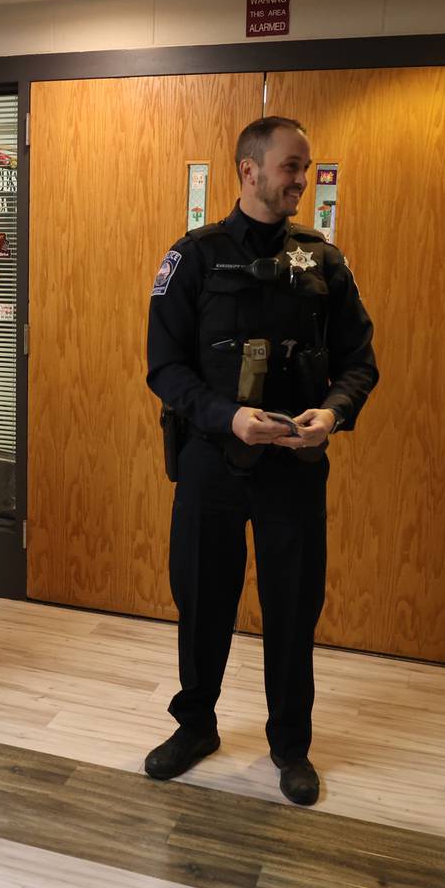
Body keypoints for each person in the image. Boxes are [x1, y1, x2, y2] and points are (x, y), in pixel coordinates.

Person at [144, 116, 378, 805]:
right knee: (202, 603)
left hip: (294, 470)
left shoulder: (324, 261)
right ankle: (195, 727)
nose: (301, 179)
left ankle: (290, 746)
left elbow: (360, 362)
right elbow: (165, 368)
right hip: (213, 464)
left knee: (292, 608)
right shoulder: (193, 258)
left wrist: (332, 412)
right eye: (290, 167)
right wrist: (228, 417)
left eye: (305, 168)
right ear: (249, 170)